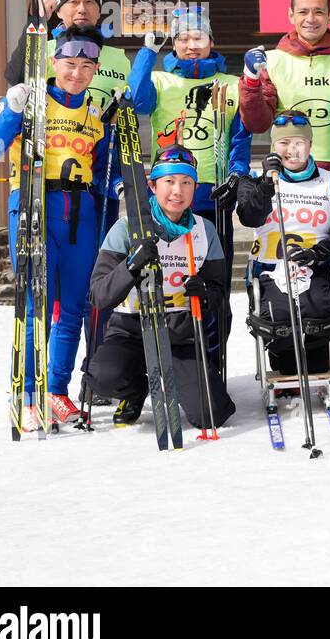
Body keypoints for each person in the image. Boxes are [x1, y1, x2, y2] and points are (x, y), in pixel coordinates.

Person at [0, 23, 118, 428]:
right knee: (34, 306)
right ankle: (26, 392)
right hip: (36, 205)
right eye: (70, 64)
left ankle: (55, 390)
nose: (77, 73)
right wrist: (11, 110)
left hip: (82, 213)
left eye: (86, 66)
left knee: (74, 307)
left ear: (95, 69)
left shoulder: (94, 110)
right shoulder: (31, 99)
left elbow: (106, 162)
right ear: (54, 62)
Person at [84, 146, 235, 428]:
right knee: (104, 377)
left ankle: (178, 382)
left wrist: (204, 293)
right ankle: (135, 389)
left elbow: (217, 292)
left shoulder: (205, 230)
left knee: (210, 415)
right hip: (131, 331)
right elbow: (99, 295)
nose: (177, 191)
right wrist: (130, 266)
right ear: (153, 186)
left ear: (195, 187)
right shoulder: (126, 228)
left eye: (186, 182)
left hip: (180, 335)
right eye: (169, 182)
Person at [128, 7, 251, 322]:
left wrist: (238, 174)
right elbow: (137, 101)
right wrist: (146, 54)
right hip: (169, 196)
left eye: (198, 36)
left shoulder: (230, 84)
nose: (191, 44)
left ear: (211, 41)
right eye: (182, 38)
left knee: (213, 281)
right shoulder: (159, 80)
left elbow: (240, 137)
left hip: (213, 193)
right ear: (173, 44)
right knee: (171, 278)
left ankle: (214, 357)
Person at [235, 111, 330, 377]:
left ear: (310, 145)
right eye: (284, 143)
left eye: (299, 142)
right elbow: (249, 216)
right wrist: (267, 185)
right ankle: (283, 355)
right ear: (273, 146)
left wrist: (320, 252)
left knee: (318, 364)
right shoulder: (254, 179)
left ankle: (328, 360)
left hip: (316, 270)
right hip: (269, 273)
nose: (292, 150)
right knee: (286, 362)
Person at [239, 0, 330, 215]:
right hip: (286, 172)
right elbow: (256, 123)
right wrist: (250, 81)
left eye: (318, 11)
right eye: (303, 12)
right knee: (285, 248)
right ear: (291, 15)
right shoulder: (272, 61)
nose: (311, 18)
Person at [3, 0, 132, 116]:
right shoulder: (44, 48)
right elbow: (15, 78)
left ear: (99, 11)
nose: (82, 9)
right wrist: (35, 23)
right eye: (73, 2)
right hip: (52, 136)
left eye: (89, 2)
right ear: (58, 11)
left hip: (100, 136)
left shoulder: (120, 59)